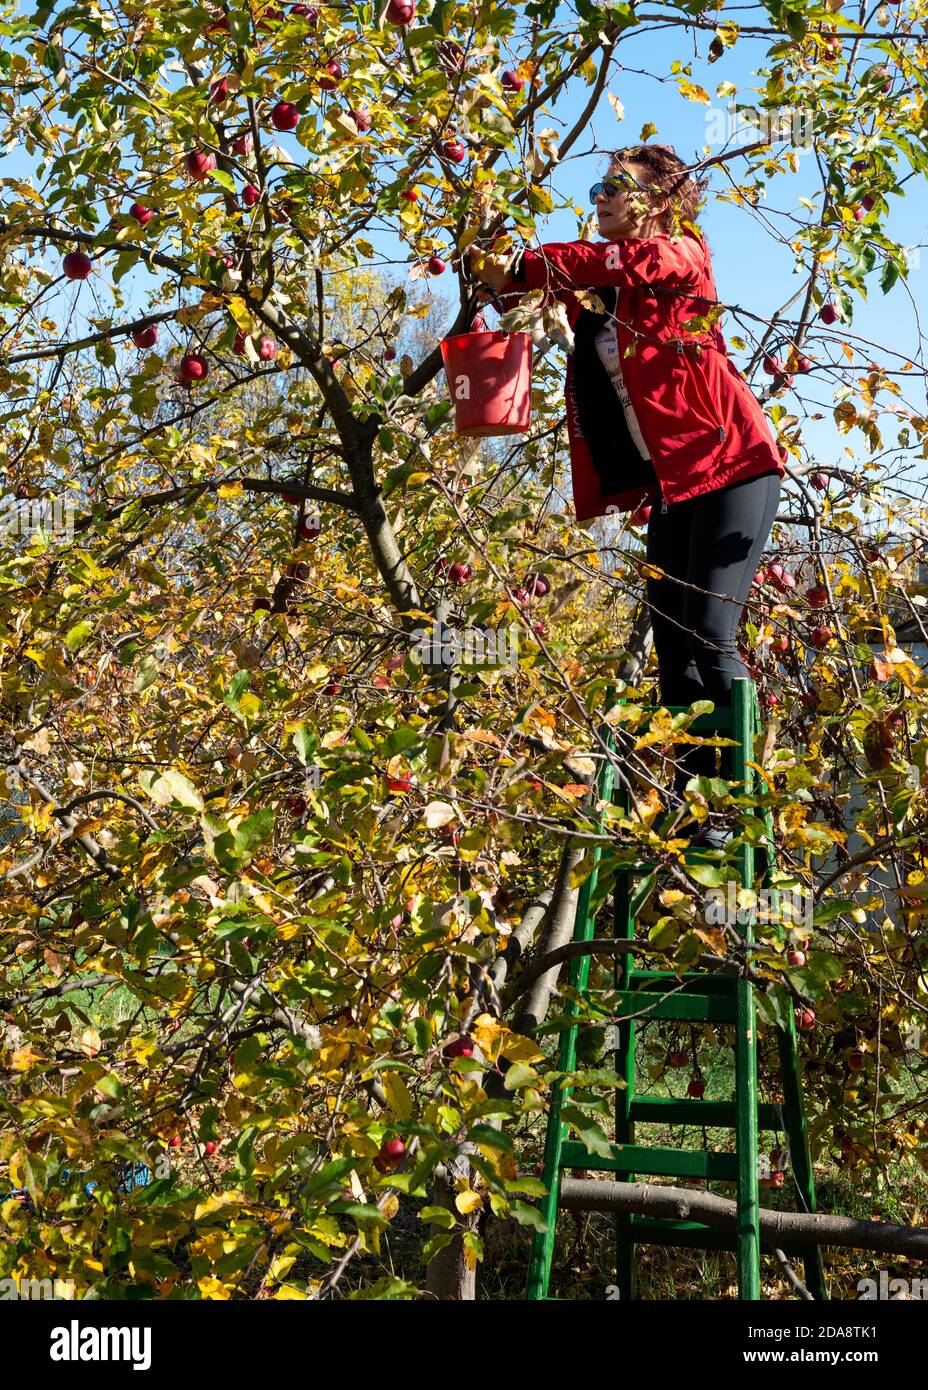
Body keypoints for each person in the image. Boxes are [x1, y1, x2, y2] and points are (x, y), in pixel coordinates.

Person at [468, 144, 784, 844]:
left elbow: (611, 261)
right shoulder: (598, 290)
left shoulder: (680, 256)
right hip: (676, 484)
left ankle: (730, 803)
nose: (601, 196)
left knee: (709, 627)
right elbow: (520, 291)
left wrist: (534, 260)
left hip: (734, 465)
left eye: (616, 186)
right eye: (597, 185)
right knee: (672, 639)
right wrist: (487, 241)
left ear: (658, 202)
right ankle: (693, 797)